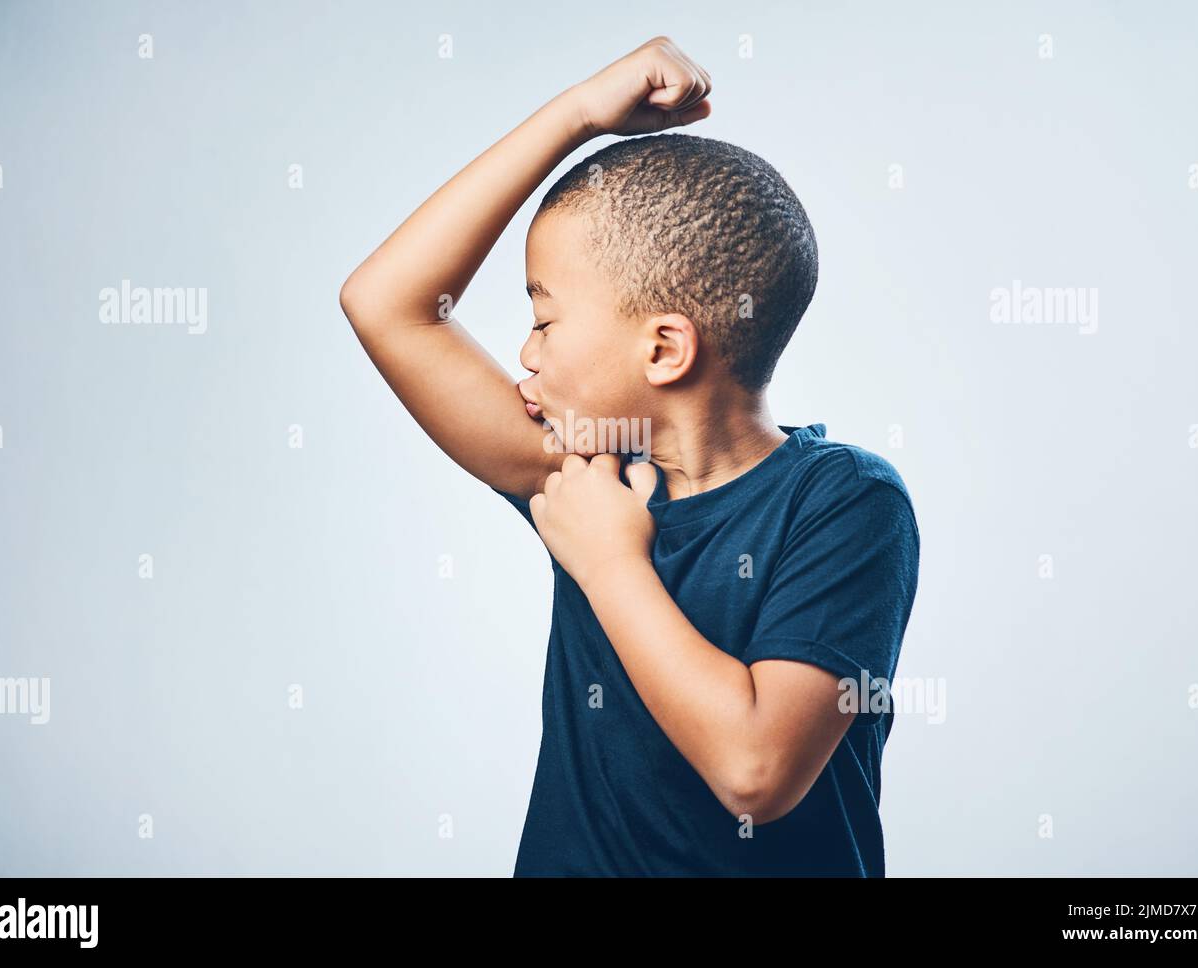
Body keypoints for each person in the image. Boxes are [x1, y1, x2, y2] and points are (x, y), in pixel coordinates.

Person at [340, 36, 920, 876]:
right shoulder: (580, 467)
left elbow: (757, 772)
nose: (525, 353)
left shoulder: (847, 502)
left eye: (545, 319)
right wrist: (579, 115)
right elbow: (386, 303)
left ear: (663, 349)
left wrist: (612, 563)